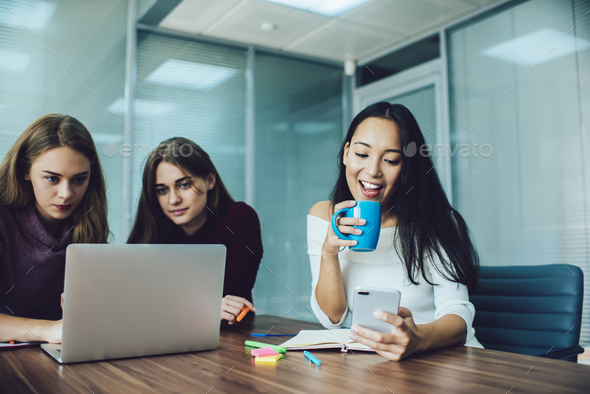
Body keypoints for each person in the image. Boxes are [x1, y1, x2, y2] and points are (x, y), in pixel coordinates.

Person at [308, 102, 482, 361]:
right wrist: (329, 252)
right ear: (346, 154)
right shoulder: (324, 216)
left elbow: (458, 315)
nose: (373, 171)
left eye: (390, 159)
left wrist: (418, 339)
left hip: (444, 363)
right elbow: (331, 319)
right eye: (362, 154)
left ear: (407, 167)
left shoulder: (437, 221)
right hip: (373, 368)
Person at [128, 137, 263, 324]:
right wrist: (205, 307)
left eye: (184, 185)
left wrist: (168, 304)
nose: (173, 199)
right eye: (162, 190)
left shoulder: (239, 218)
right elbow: (133, 300)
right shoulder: (155, 228)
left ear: (209, 180)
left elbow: (230, 298)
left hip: (229, 340)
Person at [0, 114, 109, 343]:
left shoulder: (88, 223)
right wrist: (48, 330)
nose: (66, 194)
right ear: (25, 172)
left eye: (79, 180)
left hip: (58, 355)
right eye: (52, 179)